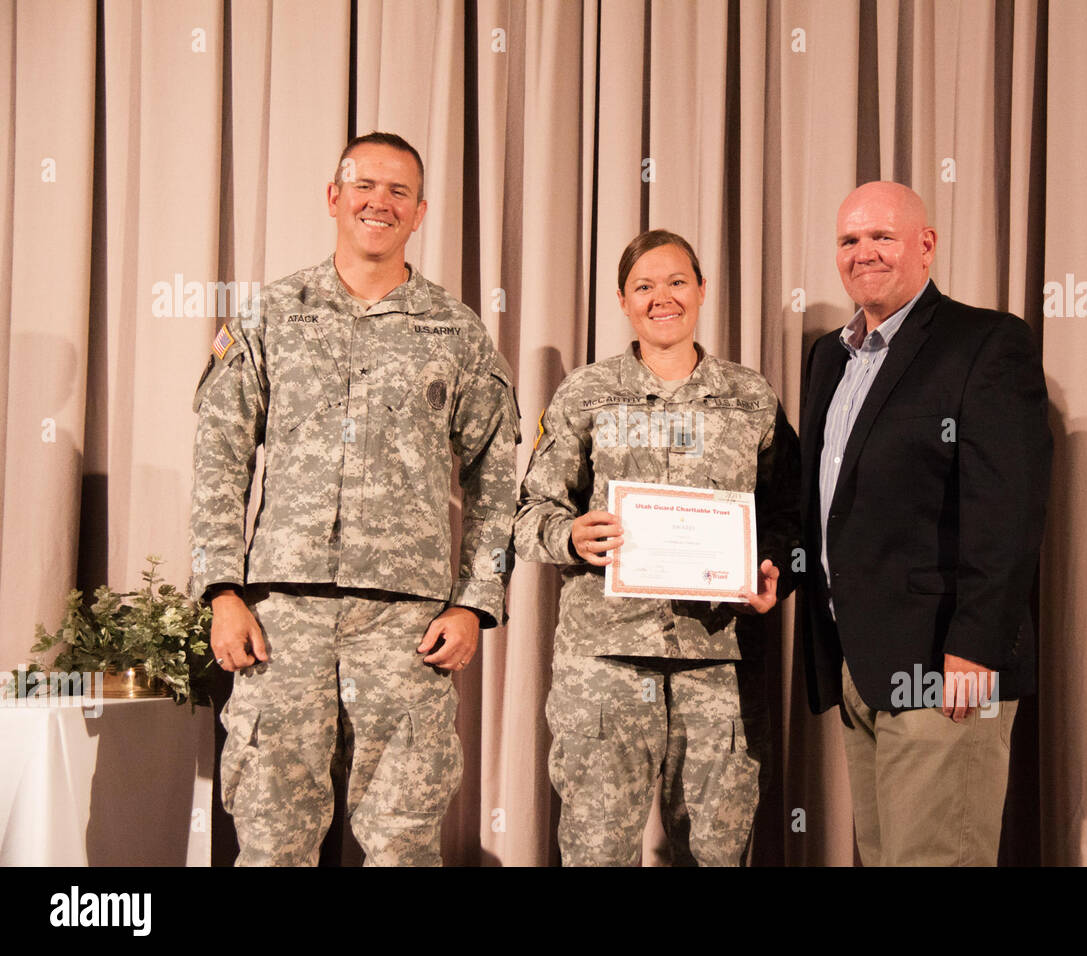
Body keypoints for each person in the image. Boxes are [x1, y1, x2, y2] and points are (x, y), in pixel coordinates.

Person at [189, 131, 520, 866]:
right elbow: (220, 455)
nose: (380, 202)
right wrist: (221, 589)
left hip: (408, 626)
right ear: (334, 198)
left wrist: (475, 601)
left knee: (403, 847)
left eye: (399, 191)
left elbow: (499, 477)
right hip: (282, 618)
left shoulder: (456, 332)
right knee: (273, 845)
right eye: (364, 186)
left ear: (421, 212)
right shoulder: (270, 315)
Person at [515, 229, 800, 866]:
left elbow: (788, 514)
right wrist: (570, 534)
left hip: (718, 661)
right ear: (622, 300)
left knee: (716, 854)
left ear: (701, 291)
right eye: (644, 286)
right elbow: (528, 513)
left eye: (676, 282)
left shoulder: (750, 398)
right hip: (604, 664)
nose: (661, 297)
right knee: (596, 852)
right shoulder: (585, 393)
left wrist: (772, 568)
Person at [799, 182, 1052, 866]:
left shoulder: (986, 343)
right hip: (858, 664)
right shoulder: (830, 357)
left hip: (946, 667)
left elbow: (1009, 510)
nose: (864, 253)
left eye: (882, 236)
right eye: (850, 240)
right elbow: (824, 500)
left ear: (926, 245)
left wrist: (975, 646)